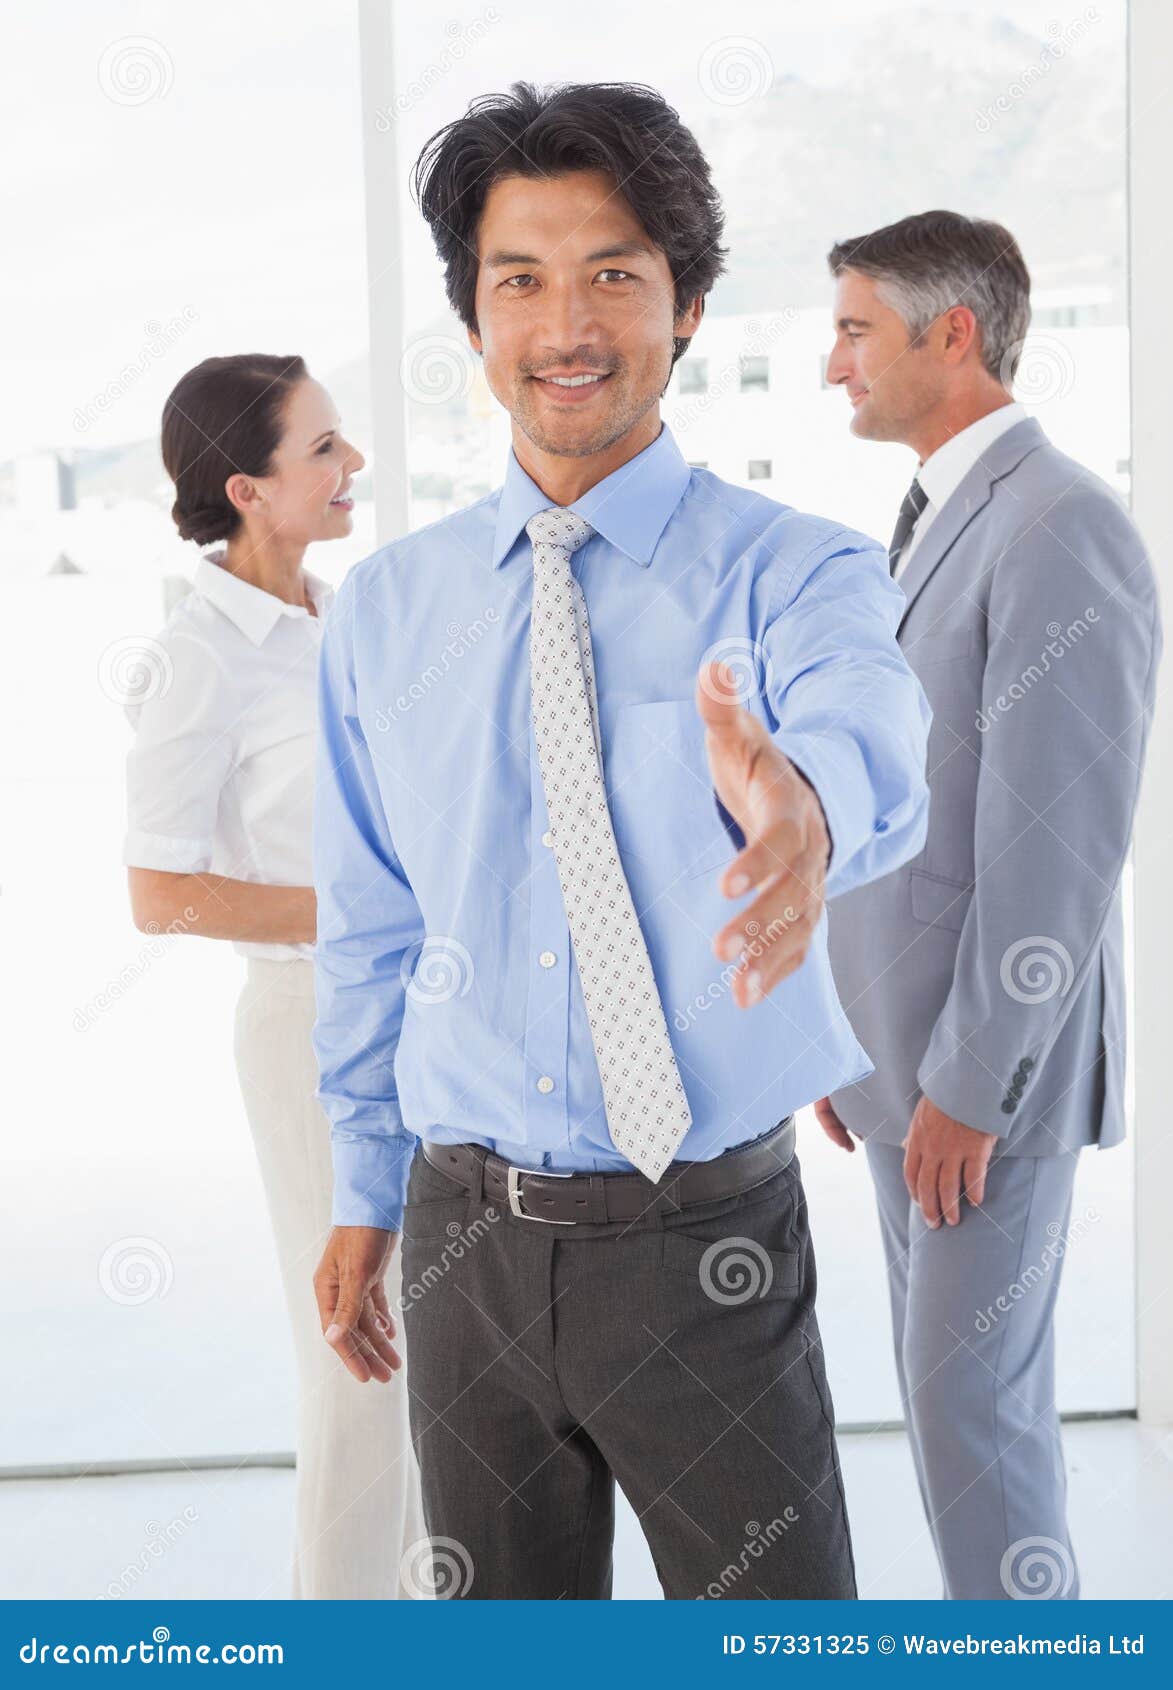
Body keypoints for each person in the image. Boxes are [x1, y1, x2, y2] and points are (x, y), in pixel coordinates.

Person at [310, 82, 930, 1601]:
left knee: (778, 1640)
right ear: (471, 320)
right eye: (518, 278)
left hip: (700, 1238)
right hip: (462, 1237)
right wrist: (361, 1182)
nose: (564, 322)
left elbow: (871, 728)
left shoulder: (797, 572)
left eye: (613, 274)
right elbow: (373, 923)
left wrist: (813, 807)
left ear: (689, 306)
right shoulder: (387, 613)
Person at [817, 210, 1161, 1600]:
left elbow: (1058, 847)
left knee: (977, 1421)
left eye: (852, 329)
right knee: (953, 1408)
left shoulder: (1059, 523)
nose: (832, 364)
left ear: (947, 334)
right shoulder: (942, 515)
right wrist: (847, 1043)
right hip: (907, 1067)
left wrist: (972, 1079)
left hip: (980, 1079)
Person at [122, 354, 425, 1599]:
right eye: (324, 450)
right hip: (310, 1023)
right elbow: (159, 892)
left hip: (424, 1012)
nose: (353, 465)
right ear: (248, 487)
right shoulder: (198, 654)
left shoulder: (348, 612)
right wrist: (366, 913)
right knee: (362, 1363)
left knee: (440, 1360)